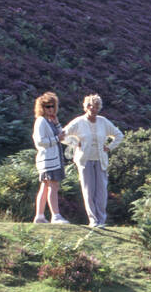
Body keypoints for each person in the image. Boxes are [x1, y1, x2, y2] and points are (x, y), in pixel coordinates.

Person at [62, 94, 123, 228]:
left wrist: (109, 147)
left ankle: (101, 220)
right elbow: (62, 134)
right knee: (88, 191)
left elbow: (119, 135)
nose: (93, 109)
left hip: (100, 160)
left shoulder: (103, 121)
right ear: (86, 106)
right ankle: (93, 220)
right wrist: (74, 142)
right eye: (90, 106)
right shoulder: (78, 122)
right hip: (85, 160)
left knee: (101, 191)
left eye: (96, 106)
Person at [31, 92, 69, 224]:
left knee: (45, 186)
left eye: (52, 106)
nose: (51, 109)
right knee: (53, 185)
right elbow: (40, 142)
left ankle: (40, 216)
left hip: (52, 159)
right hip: (48, 159)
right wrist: (55, 139)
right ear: (41, 107)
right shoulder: (41, 121)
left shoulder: (50, 121)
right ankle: (56, 215)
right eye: (47, 107)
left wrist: (57, 125)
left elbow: (62, 135)